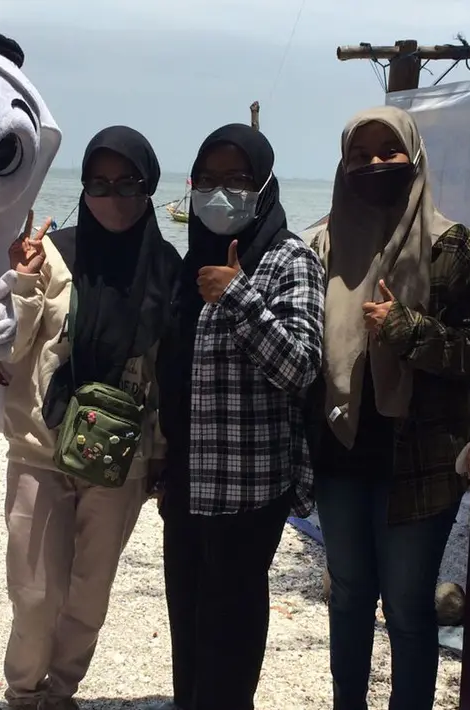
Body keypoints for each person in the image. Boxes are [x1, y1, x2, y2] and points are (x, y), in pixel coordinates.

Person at [307, 105, 470, 710]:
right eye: (359, 155)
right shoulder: (322, 245)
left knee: (409, 606)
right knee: (349, 596)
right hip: (340, 454)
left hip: (421, 461)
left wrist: (409, 329)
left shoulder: (453, 246)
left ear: (414, 158)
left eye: (388, 151)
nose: (374, 164)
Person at [0, 126, 181, 710]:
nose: (112, 197)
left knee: (89, 595)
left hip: (119, 458)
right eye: (99, 184)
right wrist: (23, 282)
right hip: (40, 446)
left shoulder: (165, 268)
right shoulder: (52, 255)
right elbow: (11, 351)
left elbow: (166, 373)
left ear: (149, 187)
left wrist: (161, 455)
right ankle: (23, 693)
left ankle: (60, 693)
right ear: (82, 188)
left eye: (127, 183)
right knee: (34, 594)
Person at [154, 124, 325, 710]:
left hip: (249, 485)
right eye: (208, 179)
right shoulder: (191, 262)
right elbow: (175, 374)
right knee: (187, 621)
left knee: (230, 628)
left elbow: (301, 366)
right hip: (186, 480)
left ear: (265, 186)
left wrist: (237, 297)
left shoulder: (290, 260)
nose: (221, 192)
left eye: (238, 179)